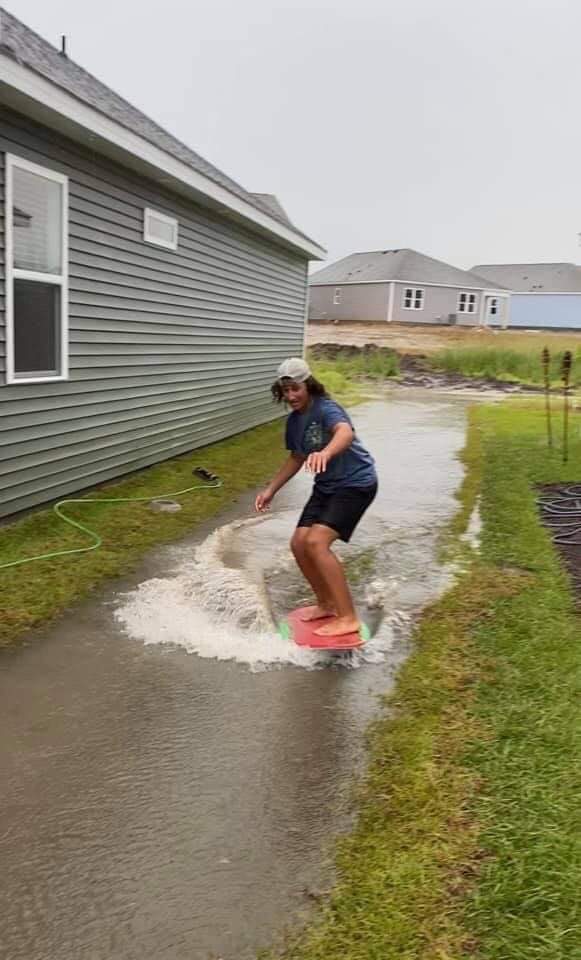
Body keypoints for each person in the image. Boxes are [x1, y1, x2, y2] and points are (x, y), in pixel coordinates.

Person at [255, 357, 377, 638]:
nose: (290, 396)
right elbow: (297, 457)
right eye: (285, 391)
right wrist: (271, 489)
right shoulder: (294, 422)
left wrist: (326, 452)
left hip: (355, 483)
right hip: (327, 486)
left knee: (316, 542)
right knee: (299, 544)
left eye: (295, 389)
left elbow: (344, 433)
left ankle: (348, 618)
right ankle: (327, 603)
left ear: (308, 385)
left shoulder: (327, 409)